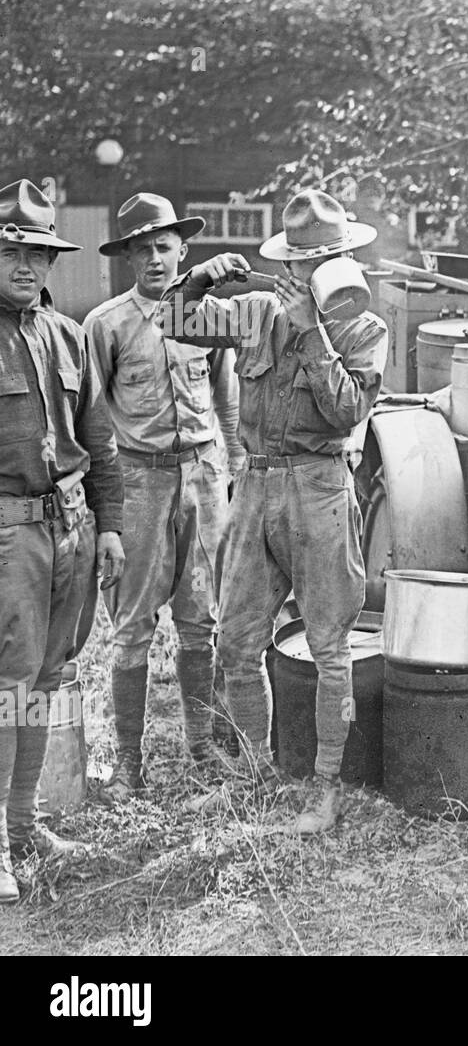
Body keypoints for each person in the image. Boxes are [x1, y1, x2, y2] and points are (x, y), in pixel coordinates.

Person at [165, 189, 387, 834]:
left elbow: (348, 411)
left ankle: (325, 790)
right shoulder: (256, 311)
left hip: (319, 488)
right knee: (236, 642)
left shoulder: (361, 327)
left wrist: (315, 331)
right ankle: (254, 780)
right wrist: (203, 275)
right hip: (254, 487)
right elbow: (175, 323)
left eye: (327, 258)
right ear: (286, 265)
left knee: (328, 646)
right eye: (301, 261)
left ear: (343, 259)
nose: (310, 272)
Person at [84, 194, 242, 801]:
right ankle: (129, 763)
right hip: (138, 484)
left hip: (202, 478)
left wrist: (233, 468)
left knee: (200, 622)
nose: (154, 257)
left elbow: (224, 397)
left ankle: (201, 745)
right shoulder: (107, 324)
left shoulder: (207, 315)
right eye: (142, 248)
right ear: (127, 256)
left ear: (184, 250)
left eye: (164, 246)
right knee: (131, 629)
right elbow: (93, 419)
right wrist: (106, 507)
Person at [0, 179, 125, 904]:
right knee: (8, 687)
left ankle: (23, 822)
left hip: (71, 528)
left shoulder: (69, 336)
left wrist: (108, 526)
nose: (27, 266)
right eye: (14, 251)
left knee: (47, 680)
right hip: (9, 535)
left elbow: (100, 445)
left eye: (40, 253)